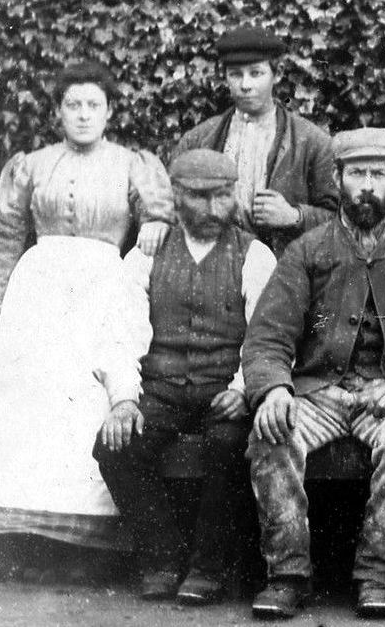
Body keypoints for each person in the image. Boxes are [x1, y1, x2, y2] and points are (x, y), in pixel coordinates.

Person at [241, 128, 385, 620]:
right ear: (337, 178)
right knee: (272, 433)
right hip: (319, 392)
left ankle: (377, 577)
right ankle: (287, 574)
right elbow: (269, 334)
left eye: (379, 174)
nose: (368, 186)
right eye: (357, 173)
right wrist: (273, 389)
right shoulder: (308, 251)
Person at [0, 61, 173, 552]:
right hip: (39, 293)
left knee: (88, 398)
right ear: (58, 112)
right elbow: (5, 235)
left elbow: (159, 216)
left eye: (94, 105)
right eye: (74, 105)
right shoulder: (32, 165)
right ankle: (28, 537)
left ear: (110, 112)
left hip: (101, 287)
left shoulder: (132, 164)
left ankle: (86, 538)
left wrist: (156, 221)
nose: (84, 115)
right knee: (34, 404)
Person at [92, 149, 276, 604]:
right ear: (175, 197)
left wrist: (243, 389)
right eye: (199, 197)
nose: (213, 209)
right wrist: (123, 400)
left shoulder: (255, 255)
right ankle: (162, 556)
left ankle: (208, 567)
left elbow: (268, 336)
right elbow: (120, 332)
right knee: (115, 448)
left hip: (224, 388)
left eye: (222, 196)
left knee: (230, 445)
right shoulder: (147, 254)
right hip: (164, 388)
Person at [172, 26, 338, 254]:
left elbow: (341, 218)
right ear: (226, 77)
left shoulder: (312, 142)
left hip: (283, 267)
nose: (245, 85)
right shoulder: (198, 139)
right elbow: (169, 198)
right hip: (216, 262)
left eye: (256, 73)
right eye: (236, 74)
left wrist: (295, 216)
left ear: (276, 75)